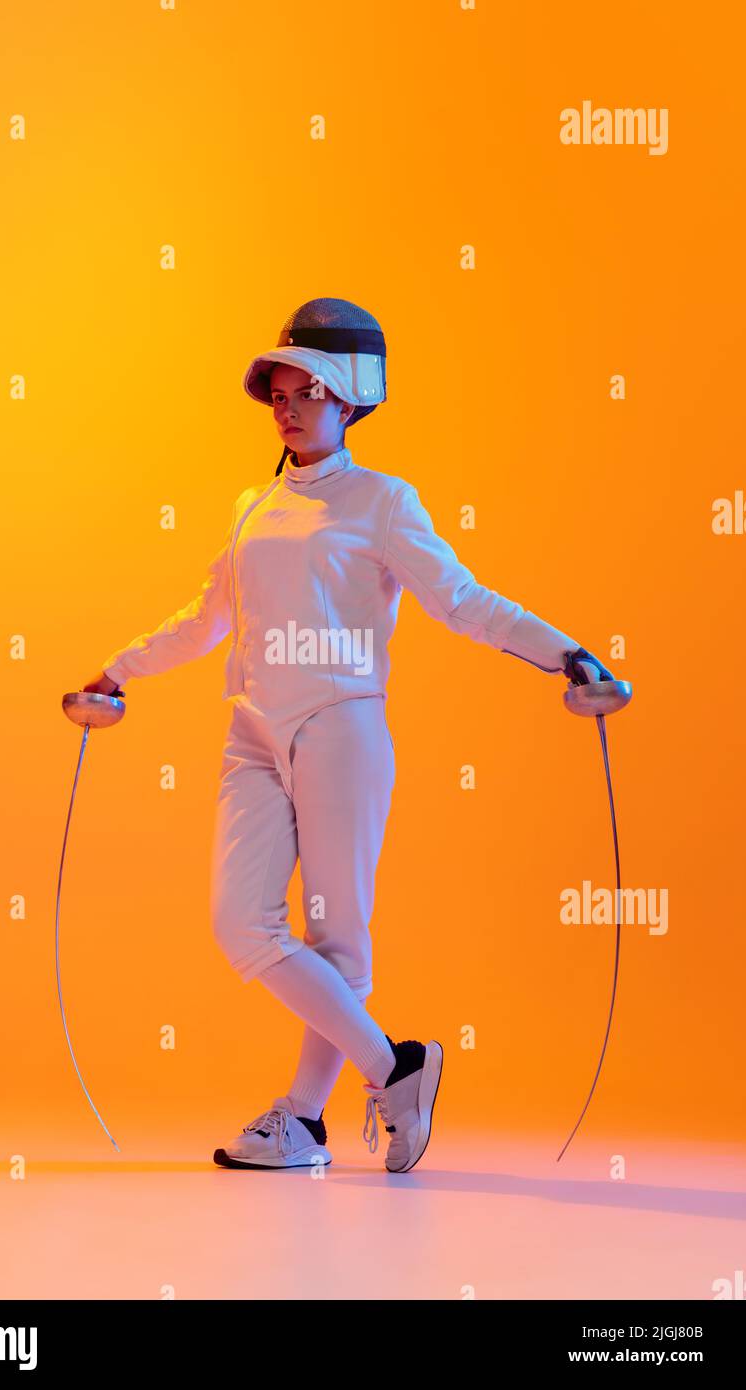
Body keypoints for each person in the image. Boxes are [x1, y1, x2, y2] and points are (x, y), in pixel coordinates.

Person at [82, 298, 614, 1173]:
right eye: (279, 393)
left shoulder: (382, 501)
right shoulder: (253, 505)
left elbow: (462, 601)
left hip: (341, 727)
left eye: (309, 391)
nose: (288, 407)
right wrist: (118, 669)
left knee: (336, 939)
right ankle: (395, 1067)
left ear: (351, 399)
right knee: (239, 924)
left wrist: (566, 654)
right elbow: (208, 617)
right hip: (251, 730)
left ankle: (302, 1121)